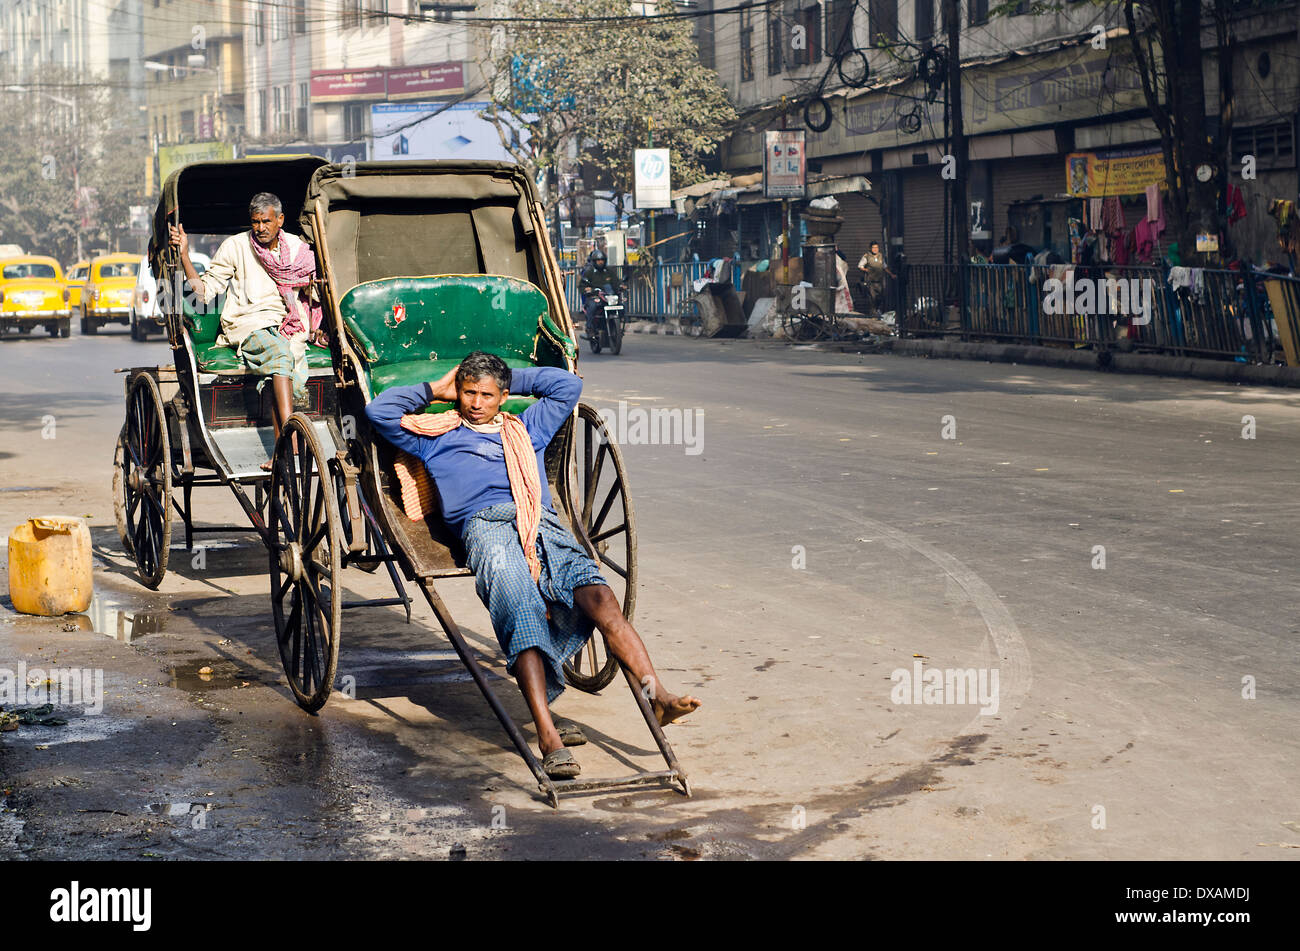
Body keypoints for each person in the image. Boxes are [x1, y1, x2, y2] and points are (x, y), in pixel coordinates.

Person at [365, 351, 700, 779]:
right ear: (458, 391)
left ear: (503, 397)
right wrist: (436, 389)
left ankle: (659, 695)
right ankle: (548, 737)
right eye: (469, 392)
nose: (476, 402)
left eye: (487, 394)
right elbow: (379, 411)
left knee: (600, 596)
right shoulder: (434, 434)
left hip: (541, 523)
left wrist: (508, 380)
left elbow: (567, 386)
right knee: (522, 610)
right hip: (484, 529)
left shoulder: (527, 429)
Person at [170, 192, 325, 469]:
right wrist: (184, 255)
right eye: (255, 222)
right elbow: (205, 292)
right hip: (248, 322)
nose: (261, 228)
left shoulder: (296, 247)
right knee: (280, 353)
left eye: (266, 221)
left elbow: (313, 287)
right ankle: (288, 442)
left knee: (290, 351)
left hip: (288, 322)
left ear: (280, 220)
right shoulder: (236, 246)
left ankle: (284, 443)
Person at [579, 250, 622, 339]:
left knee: (621, 306)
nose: (600, 262)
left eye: (602, 260)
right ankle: (590, 329)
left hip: (608, 297)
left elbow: (616, 283)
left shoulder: (609, 271)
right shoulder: (589, 272)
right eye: (598, 260)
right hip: (595, 296)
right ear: (594, 261)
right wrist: (587, 289)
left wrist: (621, 286)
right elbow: (582, 285)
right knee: (592, 306)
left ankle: (618, 327)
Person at [857, 241, 896, 315]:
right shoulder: (866, 256)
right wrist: (866, 270)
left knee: (881, 297)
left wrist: (891, 274)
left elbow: (885, 267)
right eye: (873, 247)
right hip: (871, 281)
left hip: (880, 281)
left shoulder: (881, 256)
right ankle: (873, 313)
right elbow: (860, 266)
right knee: (872, 298)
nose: (875, 249)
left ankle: (877, 310)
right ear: (870, 248)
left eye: (876, 247)